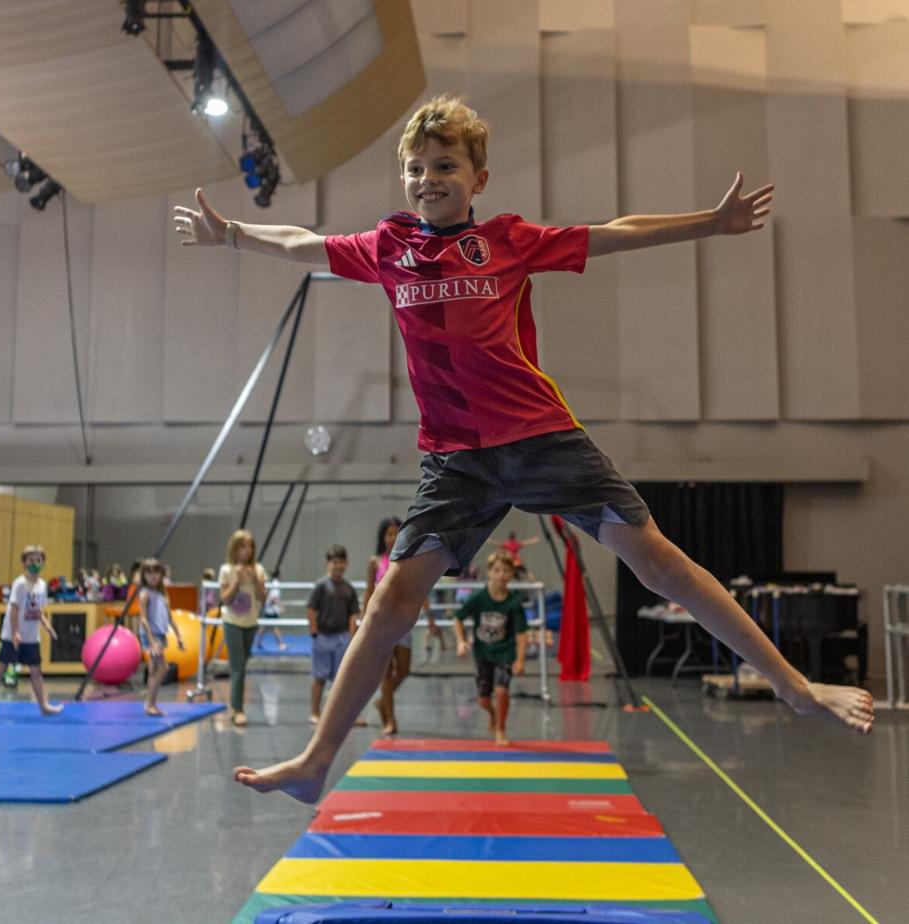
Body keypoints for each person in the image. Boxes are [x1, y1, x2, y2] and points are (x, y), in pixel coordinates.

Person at [173, 94, 873, 804]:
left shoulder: (506, 240)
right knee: (390, 602)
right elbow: (302, 243)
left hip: (539, 437)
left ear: (478, 178)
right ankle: (316, 761)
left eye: (444, 165)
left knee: (658, 561)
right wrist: (229, 232)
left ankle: (794, 687)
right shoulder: (390, 248)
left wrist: (711, 223)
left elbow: (613, 231)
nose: (426, 179)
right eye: (414, 169)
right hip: (455, 460)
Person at [365, 517, 437, 735]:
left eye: (397, 533)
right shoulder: (375, 562)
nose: (393, 538)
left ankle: (382, 702)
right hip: (382, 621)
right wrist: (362, 621)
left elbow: (420, 589)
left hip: (404, 621)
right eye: (388, 534)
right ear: (382, 537)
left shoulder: (408, 560)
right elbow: (369, 592)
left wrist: (430, 615)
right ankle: (390, 720)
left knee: (404, 669)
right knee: (386, 672)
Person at [0, 546, 63, 720]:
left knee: (36, 671)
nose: (35, 564)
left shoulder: (42, 585)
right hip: (13, 635)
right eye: (31, 560)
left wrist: (47, 626)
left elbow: (39, 610)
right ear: (24, 563)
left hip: (32, 636)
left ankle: (43, 705)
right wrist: (15, 633)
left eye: (38, 560)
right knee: (1, 669)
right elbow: (14, 609)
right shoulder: (20, 583)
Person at [454, 551, 527, 745]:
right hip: (482, 652)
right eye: (497, 570)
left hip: (505, 652)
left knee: (502, 690)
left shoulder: (514, 602)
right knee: (483, 700)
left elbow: (521, 633)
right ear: (489, 572)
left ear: (511, 574)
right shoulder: (479, 597)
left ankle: (501, 729)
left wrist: (520, 660)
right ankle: (493, 714)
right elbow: (458, 618)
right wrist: (461, 641)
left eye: (506, 571)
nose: (501, 575)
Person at [218, 529, 267, 727]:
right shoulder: (226, 569)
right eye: (243, 546)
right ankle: (238, 709)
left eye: (250, 547)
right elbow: (225, 598)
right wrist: (237, 579)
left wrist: (254, 579)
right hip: (232, 622)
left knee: (242, 664)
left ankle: (233, 704)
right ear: (235, 548)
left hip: (250, 622)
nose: (247, 551)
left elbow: (263, 598)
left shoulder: (258, 569)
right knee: (238, 667)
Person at [307, 545, 360, 725]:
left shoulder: (349, 589)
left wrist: (351, 637)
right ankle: (315, 712)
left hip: (341, 638)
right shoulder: (321, 586)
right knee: (319, 677)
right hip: (323, 636)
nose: (338, 566)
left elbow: (354, 613)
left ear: (346, 563)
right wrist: (314, 632)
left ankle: (341, 715)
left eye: (341, 562)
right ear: (327, 564)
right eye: (334, 562)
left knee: (342, 680)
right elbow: (311, 609)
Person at [137, 558, 184, 716]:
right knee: (162, 667)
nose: (153, 576)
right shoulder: (145, 594)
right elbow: (143, 619)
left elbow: (169, 617)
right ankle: (150, 703)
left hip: (160, 634)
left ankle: (151, 703)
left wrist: (179, 636)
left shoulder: (162, 594)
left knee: (154, 668)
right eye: (149, 572)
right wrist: (151, 641)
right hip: (152, 635)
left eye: (156, 572)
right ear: (143, 575)